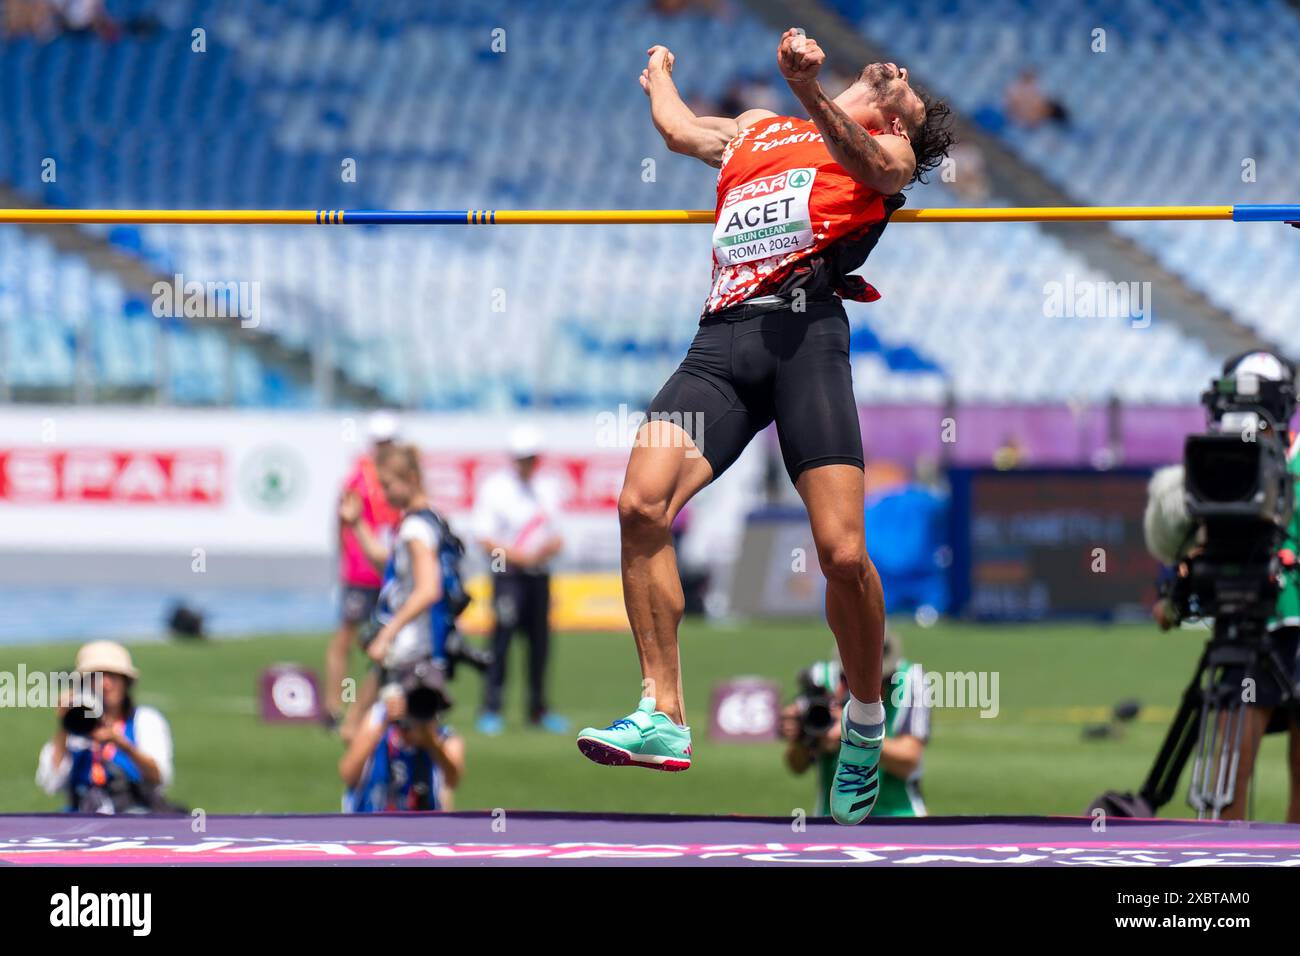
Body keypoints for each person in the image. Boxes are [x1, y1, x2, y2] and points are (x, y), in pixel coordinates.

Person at [575, 28, 953, 825]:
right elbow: (681, 132)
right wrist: (659, 76)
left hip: (805, 341)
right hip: (720, 344)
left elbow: (878, 167)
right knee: (640, 506)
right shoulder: (757, 128)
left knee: (843, 553)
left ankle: (865, 719)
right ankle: (663, 714)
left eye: (910, 98)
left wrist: (811, 91)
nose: (903, 75)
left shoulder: (884, 157)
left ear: (898, 126)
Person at [1146, 351, 1300, 822]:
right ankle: (1222, 862)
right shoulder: (1218, 456)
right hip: (1246, 622)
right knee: (1229, 771)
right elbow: (1191, 537)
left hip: (1287, 620)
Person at [472, 425, 568, 735]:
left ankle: (538, 709)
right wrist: (516, 557)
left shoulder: (548, 488)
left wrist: (544, 551)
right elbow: (485, 538)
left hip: (539, 576)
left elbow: (557, 536)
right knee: (500, 641)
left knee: (539, 645)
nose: (526, 463)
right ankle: (491, 708)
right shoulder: (495, 488)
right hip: (507, 577)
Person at [782, 635, 930, 817]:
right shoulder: (820, 678)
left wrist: (853, 736)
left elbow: (908, 761)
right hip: (833, 818)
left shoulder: (909, 680)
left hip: (898, 815)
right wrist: (801, 738)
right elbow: (797, 766)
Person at [36, 641, 176, 813]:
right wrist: (66, 723)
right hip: (81, 815)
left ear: (126, 683)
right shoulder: (76, 728)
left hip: (135, 813)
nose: (106, 684)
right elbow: (51, 782)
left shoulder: (144, 720)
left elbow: (158, 778)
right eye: (97, 677)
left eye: (113, 677)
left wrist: (121, 743)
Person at [326, 411, 401, 728]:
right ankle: (334, 707)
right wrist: (343, 562)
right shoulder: (358, 478)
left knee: (386, 643)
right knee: (347, 637)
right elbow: (340, 519)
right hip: (360, 573)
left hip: (389, 571)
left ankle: (371, 707)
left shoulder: (398, 480)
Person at [339, 688, 465, 812]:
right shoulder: (377, 724)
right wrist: (383, 723)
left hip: (422, 828)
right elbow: (348, 774)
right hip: (370, 825)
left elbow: (452, 780)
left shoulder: (446, 739)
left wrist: (431, 743)